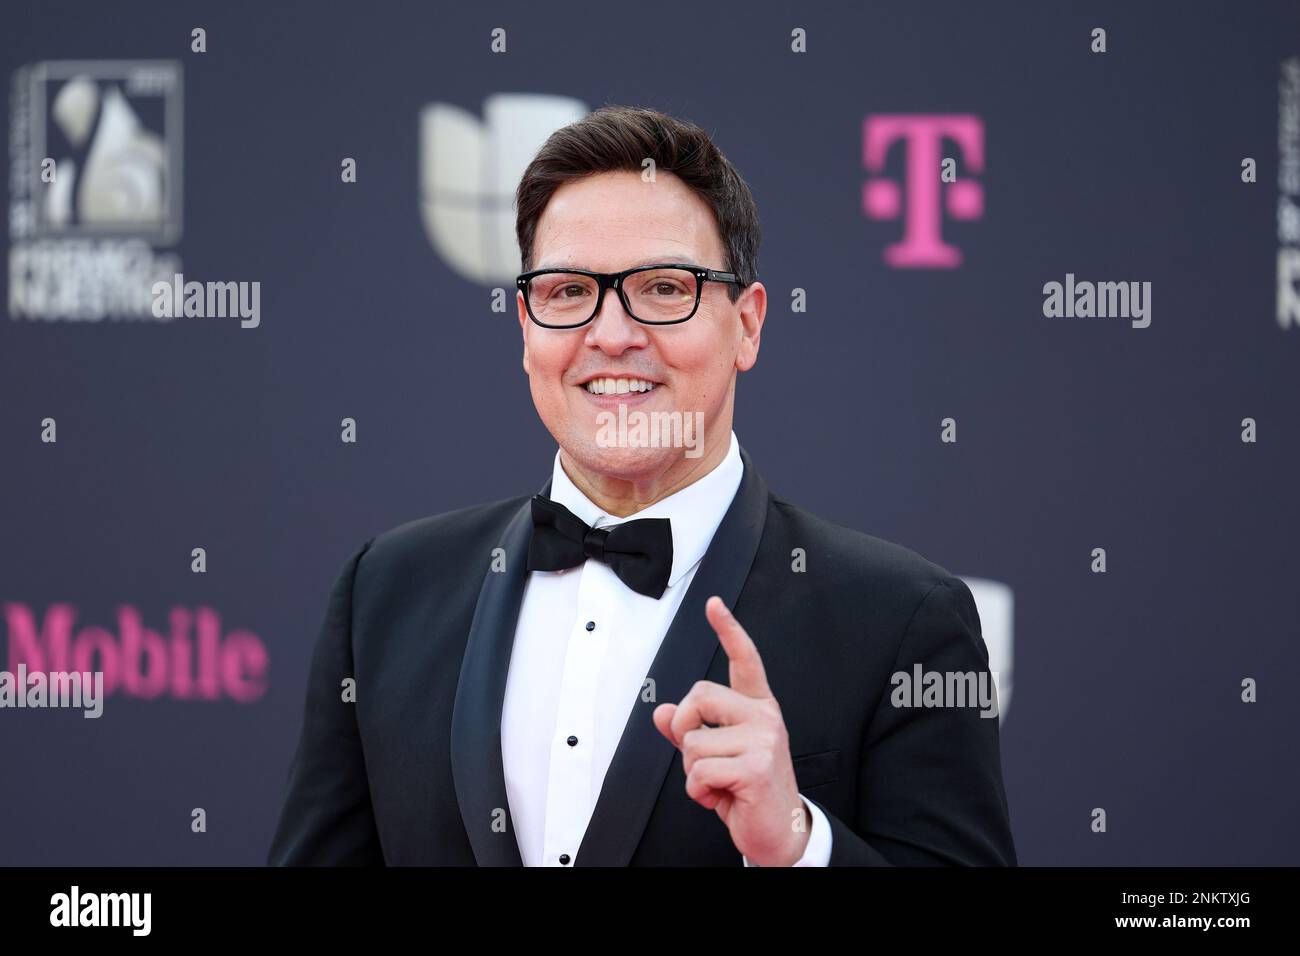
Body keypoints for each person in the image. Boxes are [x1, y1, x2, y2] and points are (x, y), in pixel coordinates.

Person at [267, 105, 1016, 867]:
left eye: (663, 288)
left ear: (748, 325)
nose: (613, 333)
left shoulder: (901, 622)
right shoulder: (387, 592)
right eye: (567, 292)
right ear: (525, 326)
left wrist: (799, 845)